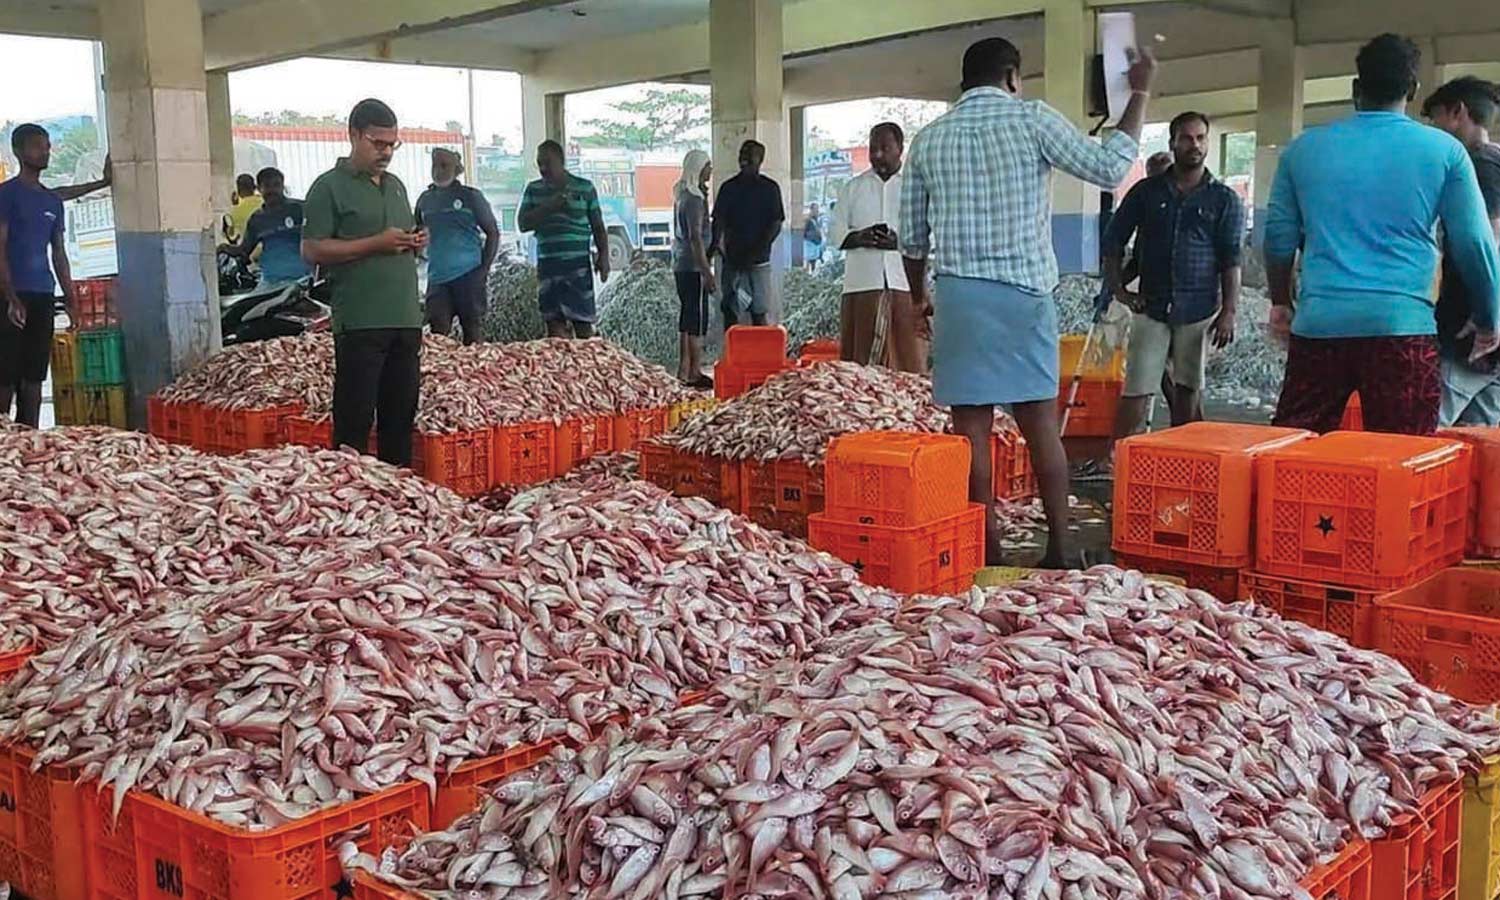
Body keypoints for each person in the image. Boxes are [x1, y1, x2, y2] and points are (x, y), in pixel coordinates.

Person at [900, 36, 1155, 568]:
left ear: (964, 82)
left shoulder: (928, 140)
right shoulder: (1032, 119)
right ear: (1012, 77)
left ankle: (988, 555)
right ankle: (1060, 549)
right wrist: (1139, 95)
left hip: (961, 297)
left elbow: (913, 239)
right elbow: (1110, 167)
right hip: (1024, 296)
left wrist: (919, 296)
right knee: (1040, 424)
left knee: (971, 432)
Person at [1265, 34, 1500, 435]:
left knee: (1295, 448)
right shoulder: (1444, 151)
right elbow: (1475, 244)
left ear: (1356, 88)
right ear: (1412, 89)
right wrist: (1488, 317)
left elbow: (1278, 238)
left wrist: (1281, 303)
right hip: (1403, 331)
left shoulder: (1302, 150)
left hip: (1320, 328)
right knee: (1402, 455)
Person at [1105, 111, 1245, 447]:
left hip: (1199, 309)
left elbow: (1231, 259)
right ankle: (1116, 458)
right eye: (1186, 138)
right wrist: (1118, 289)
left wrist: (1229, 311)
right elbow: (1113, 240)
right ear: (1173, 143)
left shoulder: (1224, 199)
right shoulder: (1146, 192)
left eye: (1200, 138)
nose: (1194, 145)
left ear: (1207, 143)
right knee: (1137, 390)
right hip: (1151, 306)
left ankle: (1184, 458)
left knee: (1188, 390)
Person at [302, 98, 426, 467]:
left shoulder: (396, 186)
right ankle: (350, 489)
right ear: (354, 135)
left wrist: (415, 241)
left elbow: (398, 237)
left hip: (405, 319)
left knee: (399, 423)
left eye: (392, 144)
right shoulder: (328, 187)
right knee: (354, 424)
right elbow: (312, 249)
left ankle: (396, 490)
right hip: (361, 322)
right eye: (378, 143)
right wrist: (376, 243)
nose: (386, 152)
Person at [0, 123, 111, 427]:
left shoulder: (51, 201)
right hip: (10, 296)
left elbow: (59, 254)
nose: (45, 151)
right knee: (5, 375)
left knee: (35, 374)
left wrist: (71, 299)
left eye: (47, 145)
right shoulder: (6, 195)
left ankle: (29, 437)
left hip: (43, 295)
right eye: (38, 146)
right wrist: (10, 297)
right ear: (19, 151)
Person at [1424, 76, 1500, 426]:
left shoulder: (1477, 165)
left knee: (1423, 430)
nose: (1434, 129)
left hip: (1471, 331)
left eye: (1436, 118)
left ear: (1458, 112)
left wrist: (1487, 309)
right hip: (1487, 336)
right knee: (1478, 440)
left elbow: (1490, 238)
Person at [831, 121, 925, 372]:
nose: (877, 155)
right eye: (873, 149)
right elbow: (835, 233)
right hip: (862, 284)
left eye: (884, 148)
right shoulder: (854, 188)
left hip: (903, 283)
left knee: (906, 357)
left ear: (900, 149)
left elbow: (930, 235)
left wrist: (898, 242)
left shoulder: (914, 188)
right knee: (860, 360)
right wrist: (860, 237)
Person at [517, 140, 610, 338]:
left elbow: (598, 226)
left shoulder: (584, 188)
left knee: (583, 325)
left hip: (578, 267)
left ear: (561, 161)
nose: (543, 168)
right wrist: (549, 206)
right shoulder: (533, 189)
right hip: (548, 267)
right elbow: (523, 224)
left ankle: (588, 358)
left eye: (548, 162)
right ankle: (560, 358)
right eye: (540, 163)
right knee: (554, 328)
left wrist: (604, 257)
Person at [415, 148, 500, 345]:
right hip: (437, 278)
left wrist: (483, 271)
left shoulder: (471, 197)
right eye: (435, 165)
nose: (438, 170)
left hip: (469, 276)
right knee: (438, 336)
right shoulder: (424, 200)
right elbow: (417, 231)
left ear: (456, 169)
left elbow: (493, 233)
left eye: (444, 165)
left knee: (472, 332)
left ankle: (477, 365)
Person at [712, 140, 784, 326]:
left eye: (749, 154)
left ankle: (758, 346)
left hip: (759, 262)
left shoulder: (770, 188)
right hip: (733, 261)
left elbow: (776, 224)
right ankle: (732, 345)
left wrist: (758, 250)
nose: (743, 158)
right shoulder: (728, 188)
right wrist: (715, 247)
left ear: (760, 159)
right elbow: (718, 220)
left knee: (759, 312)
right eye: (742, 154)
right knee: (730, 310)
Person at [219, 167, 311, 289]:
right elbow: (244, 250)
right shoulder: (256, 219)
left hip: (303, 280)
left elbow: (321, 236)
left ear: (283, 186)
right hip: (270, 282)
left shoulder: (300, 209)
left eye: (276, 185)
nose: (272, 190)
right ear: (259, 189)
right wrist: (223, 248)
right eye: (267, 186)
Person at [671, 149, 716, 387]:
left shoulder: (682, 195)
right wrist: (706, 272)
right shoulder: (695, 200)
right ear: (698, 168)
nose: (710, 170)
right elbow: (696, 238)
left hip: (681, 264)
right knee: (697, 320)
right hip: (694, 266)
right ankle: (695, 371)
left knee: (687, 317)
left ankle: (684, 369)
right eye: (708, 165)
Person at [224, 173, 262, 244]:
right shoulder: (266, 202)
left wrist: (234, 206)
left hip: (248, 248)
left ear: (238, 191)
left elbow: (231, 236)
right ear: (254, 188)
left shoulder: (234, 212)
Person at [802, 202, 824, 272]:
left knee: (814, 261)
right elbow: (804, 232)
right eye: (815, 209)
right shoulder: (808, 220)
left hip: (816, 244)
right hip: (810, 244)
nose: (817, 211)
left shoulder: (816, 220)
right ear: (811, 210)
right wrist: (811, 237)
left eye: (817, 209)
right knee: (809, 261)